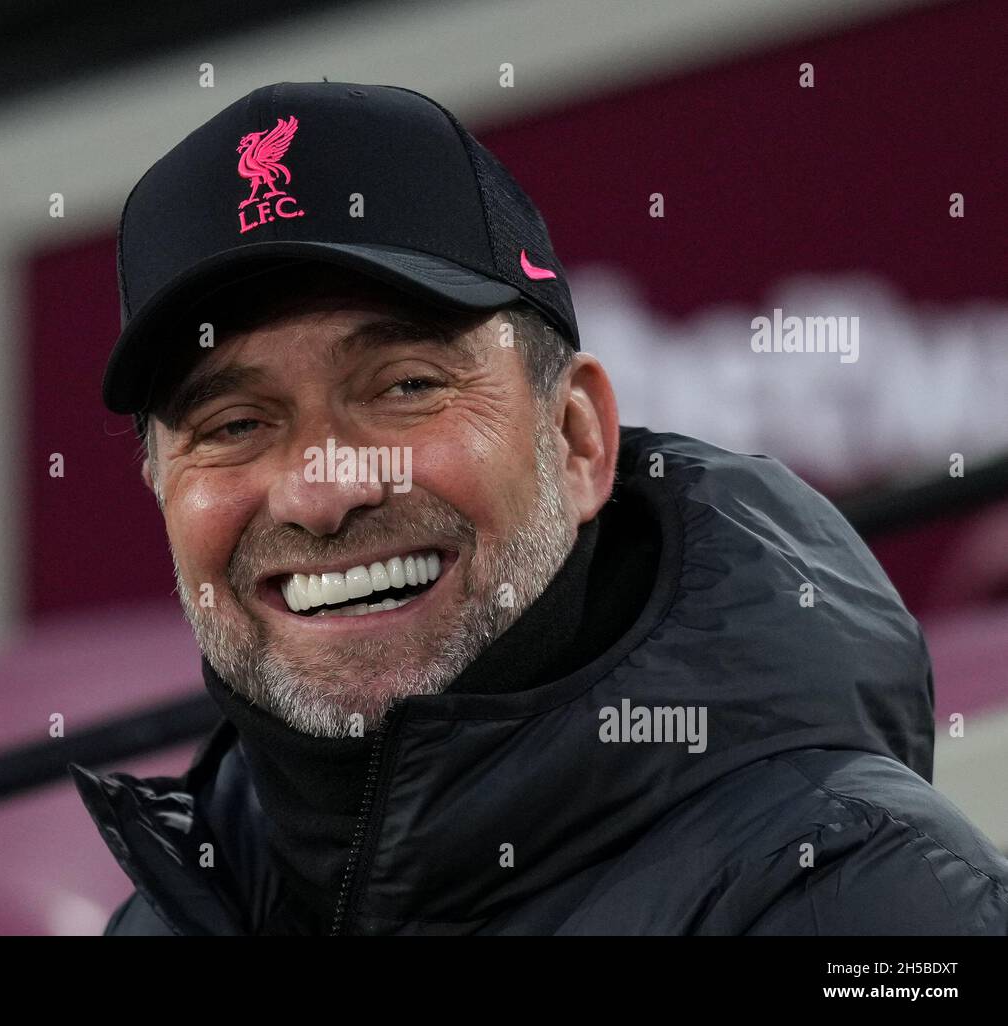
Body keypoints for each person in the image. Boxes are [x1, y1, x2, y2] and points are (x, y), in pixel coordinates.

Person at [71, 81, 1008, 935]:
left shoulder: (868, 897)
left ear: (576, 440)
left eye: (404, 385)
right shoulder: (162, 922)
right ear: (160, 487)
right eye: (234, 424)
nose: (322, 492)